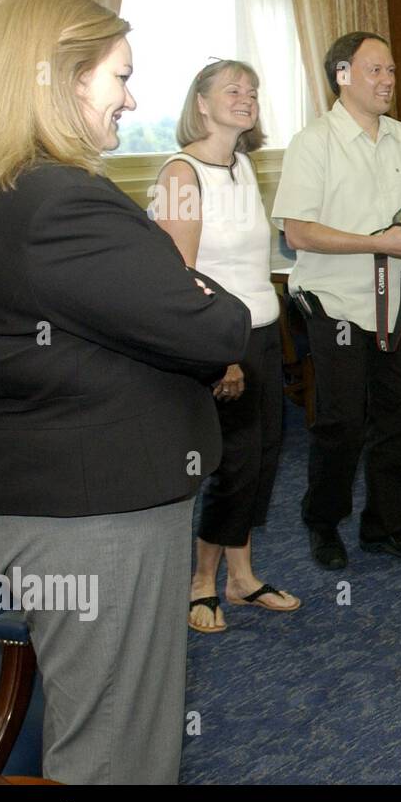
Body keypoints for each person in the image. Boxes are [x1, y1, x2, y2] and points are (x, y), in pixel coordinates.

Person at [0, 0, 250, 783]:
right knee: (116, 755)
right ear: (64, 78)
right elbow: (217, 325)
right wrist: (212, 297)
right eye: (119, 78)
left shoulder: (12, 194)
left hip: (44, 499)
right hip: (98, 516)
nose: (131, 98)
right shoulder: (64, 201)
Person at [273, 31, 401, 571]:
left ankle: (385, 526)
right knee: (341, 422)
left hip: (399, 306)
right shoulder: (313, 143)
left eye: (391, 71)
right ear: (342, 75)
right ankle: (323, 521)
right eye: (375, 71)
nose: (388, 81)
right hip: (338, 304)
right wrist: (378, 243)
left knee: (400, 422)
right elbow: (298, 233)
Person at [153, 60, 301, 632]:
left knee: (262, 460)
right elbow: (180, 275)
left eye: (253, 91)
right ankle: (200, 583)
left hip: (264, 331)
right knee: (233, 464)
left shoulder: (241, 165)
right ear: (202, 104)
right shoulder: (181, 174)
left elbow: (248, 262)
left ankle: (242, 579)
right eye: (232, 91)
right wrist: (222, 354)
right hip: (222, 343)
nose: (246, 98)